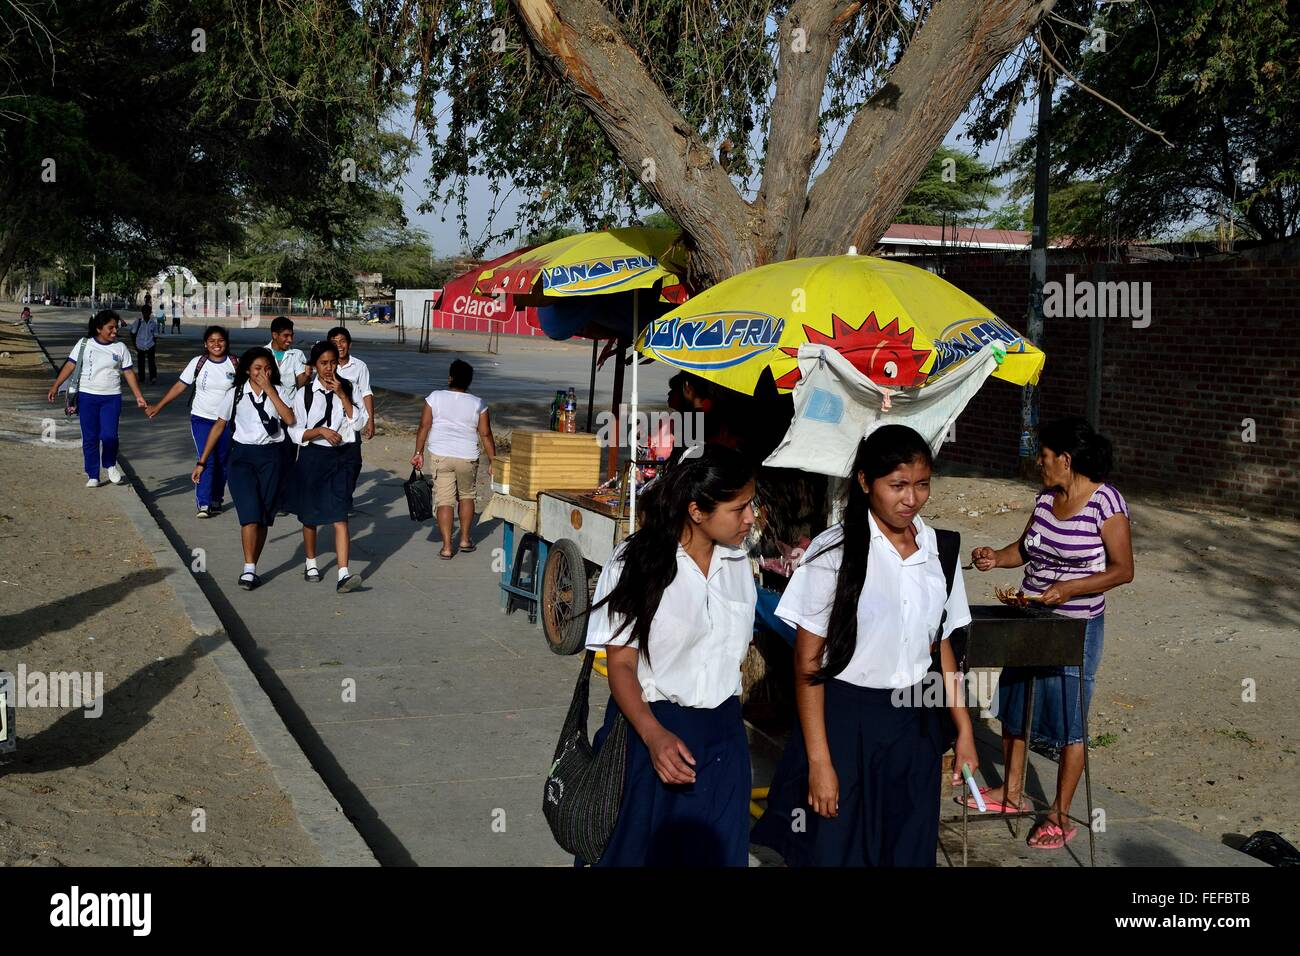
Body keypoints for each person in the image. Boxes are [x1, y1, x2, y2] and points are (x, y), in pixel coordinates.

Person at [751, 424, 976, 867]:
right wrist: (820, 761)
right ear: (865, 482)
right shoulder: (832, 553)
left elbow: (942, 645)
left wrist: (964, 730)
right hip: (845, 726)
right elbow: (807, 662)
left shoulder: (940, 551)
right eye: (897, 485)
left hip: (914, 727)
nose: (911, 498)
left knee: (907, 851)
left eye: (922, 484)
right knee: (838, 851)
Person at [582, 445, 757, 866]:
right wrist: (653, 735)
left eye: (751, 505)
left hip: (724, 737)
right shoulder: (636, 562)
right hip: (652, 735)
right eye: (739, 508)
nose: (751, 518)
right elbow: (621, 664)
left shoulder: (738, 563)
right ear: (696, 511)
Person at [968, 416, 1133, 849]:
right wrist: (995, 557)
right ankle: (1011, 792)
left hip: (1076, 628)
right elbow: (1025, 550)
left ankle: (1059, 814)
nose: (1038, 462)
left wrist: (1071, 589)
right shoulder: (1045, 500)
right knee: (1015, 704)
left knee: (1068, 722)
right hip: (1029, 618)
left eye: (1043, 455)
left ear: (1066, 459)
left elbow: (1123, 570)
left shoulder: (1106, 503)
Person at [192, 347, 297, 591]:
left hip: (272, 457)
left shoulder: (279, 391)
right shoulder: (235, 393)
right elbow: (219, 427)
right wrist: (202, 462)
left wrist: (270, 390)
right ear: (247, 370)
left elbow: (290, 419)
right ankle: (248, 569)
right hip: (242, 458)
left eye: (267, 368)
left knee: (263, 517)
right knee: (249, 514)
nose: (263, 373)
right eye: (257, 368)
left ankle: (253, 566)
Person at [289, 341, 368, 593]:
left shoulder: (349, 387)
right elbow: (295, 432)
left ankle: (343, 573)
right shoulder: (304, 394)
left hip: (341, 458)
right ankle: (311, 562)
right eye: (323, 363)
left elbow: (359, 423)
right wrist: (320, 432)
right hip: (313, 457)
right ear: (314, 365)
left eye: (333, 362)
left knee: (340, 513)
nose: (329, 368)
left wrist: (343, 396)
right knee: (310, 514)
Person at [46, 310, 148, 487]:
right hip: (87, 397)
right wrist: (56, 386)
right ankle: (92, 475)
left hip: (112, 398)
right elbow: (70, 365)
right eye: (111, 328)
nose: (115, 331)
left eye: (116, 327)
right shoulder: (84, 344)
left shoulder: (120, 348)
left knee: (110, 436)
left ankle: (110, 464)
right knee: (90, 437)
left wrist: (139, 396)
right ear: (99, 328)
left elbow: (129, 372)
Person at [147, 326, 236, 518]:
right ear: (205, 344)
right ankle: (203, 503)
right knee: (206, 459)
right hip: (202, 419)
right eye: (211, 341)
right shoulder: (198, 363)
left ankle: (216, 499)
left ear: (226, 342)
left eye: (220, 340)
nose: (216, 344)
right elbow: (180, 386)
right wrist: (159, 406)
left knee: (222, 461)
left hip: (227, 422)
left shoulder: (236, 363)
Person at [411, 359, 495, 559]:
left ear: (450, 378)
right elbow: (485, 434)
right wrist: (493, 460)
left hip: (441, 455)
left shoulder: (434, 397)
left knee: (444, 500)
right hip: (467, 456)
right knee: (467, 495)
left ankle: (447, 547)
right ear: (469, 381)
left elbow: (424, 426)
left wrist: (418, 452)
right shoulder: (478, 403)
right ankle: (465, 539)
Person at [267, 316, 309, 511]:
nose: (289, 340)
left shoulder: (297, 355)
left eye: (291, 335)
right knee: (270, 457)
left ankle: (284, 500)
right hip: (268, 414)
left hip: (290, 414)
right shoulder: (263, 354)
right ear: (274, 335)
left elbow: (301, 383)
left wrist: (306, 376)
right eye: (285, 336)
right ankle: (270, 495)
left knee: (288, 457)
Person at [328, 327, 374, 494]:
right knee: (332, 462)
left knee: (354, 463)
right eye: (334, 343)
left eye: (342, 341)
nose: (339, 346)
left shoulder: (359, 366)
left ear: (349, 344)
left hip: (353, 420)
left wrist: (370, 421)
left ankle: (346, 496)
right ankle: (335, 496)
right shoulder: (326, 366)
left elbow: (367, 393)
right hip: (332, 422)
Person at [129, 307, 159, 384]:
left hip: (150, 345)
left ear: (150, 313)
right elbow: (132, 333)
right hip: (140, 345)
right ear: (142, 313)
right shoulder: (138, 322)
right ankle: (141, 378)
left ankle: (153, 377)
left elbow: (155, 335)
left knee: (151, 362)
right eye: (145, 312)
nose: (146, 314)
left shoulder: (153, 323)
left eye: (148, 312)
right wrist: (135, 345)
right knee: (141, 363)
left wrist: (153, 344)